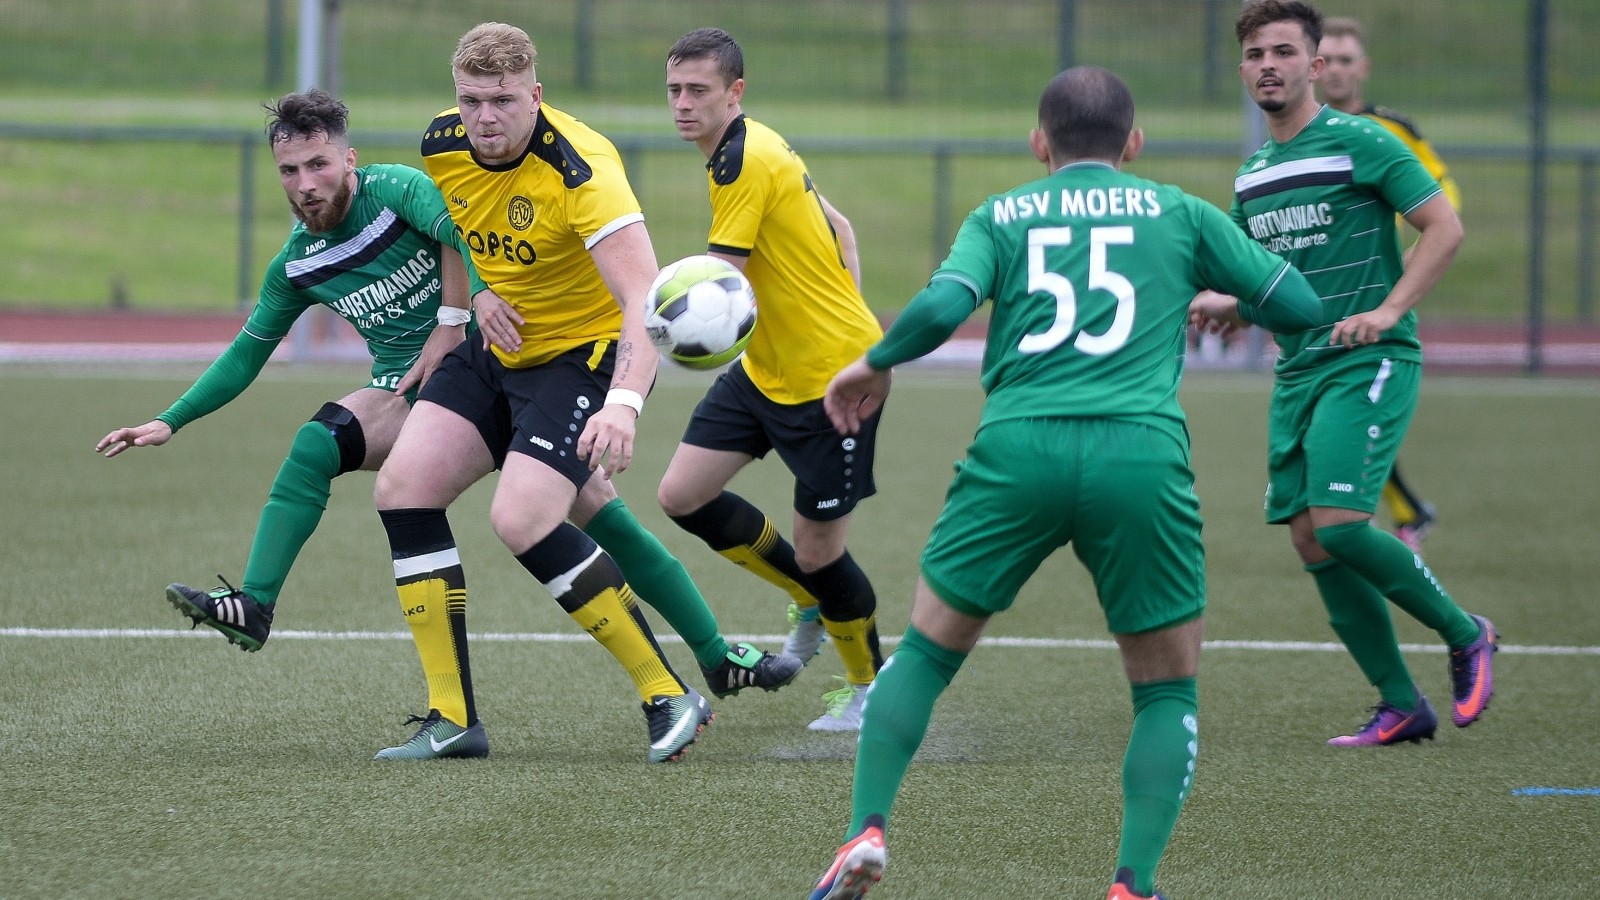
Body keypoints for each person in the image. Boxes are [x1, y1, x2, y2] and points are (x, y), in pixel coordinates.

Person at [807, 66, 1324, 900]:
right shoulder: (1179, 211)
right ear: (1135, 143)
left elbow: (942, 310)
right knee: (1165, 689)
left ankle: (865, 829)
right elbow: (1297, 301)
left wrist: (871, 363)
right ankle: (1132, 883)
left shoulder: (1002, 213)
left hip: (1018, 450)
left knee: (929, 653)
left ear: (1039, 143)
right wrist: (1234, 296)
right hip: (1139, 454)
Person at [371, 22, 799, 764]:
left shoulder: (582, 169)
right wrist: (476, 298)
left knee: (523, 518)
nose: (485, 118)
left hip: (584, 360)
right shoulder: (441, 145)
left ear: (535, 96)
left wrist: (623, 405)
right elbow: (461, 226)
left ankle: (668, 694)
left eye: (503, 100)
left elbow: (643, 296)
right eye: (471, 101)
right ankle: (452, 719)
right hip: (496, 352)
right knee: (402, 489)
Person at [1189, 0, 1497, 749]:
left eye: (1285, 52)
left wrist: (1390, 311)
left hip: (1369, 361)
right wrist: (1230, 306)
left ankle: (1466, 633)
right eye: (1257, 53)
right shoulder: (1255, 174)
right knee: (1310, 540)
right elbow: (1275, 285)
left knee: (1342, 524)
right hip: (1299, 374)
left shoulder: (1363, 141)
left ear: (1316, 65)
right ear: (1243, 69)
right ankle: (1400, 703)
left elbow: (1444, 227)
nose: (1270, 65)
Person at [95, 89, 481, 651]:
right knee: (314, 445)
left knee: (586, 512)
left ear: (349, 160)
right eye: (290, 170)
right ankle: (253, 605)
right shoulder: (297, 263)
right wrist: (170, 420)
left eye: (319, 164)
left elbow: (466, 233)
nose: (305, 184)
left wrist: (454, 319)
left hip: (490, 370)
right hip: (407, 390)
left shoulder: (396, 190)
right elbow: (246, 354)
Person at [658, 28, 887, 731]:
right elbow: (840, 226)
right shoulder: (750, 142)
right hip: (769, 371)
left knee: (822, 547)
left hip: (832, 382)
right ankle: (809, 597)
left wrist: (852, 343)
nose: (684, 105)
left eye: (699, 91)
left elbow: (716, 286)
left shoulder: (742, 163)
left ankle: (871, 685)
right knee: (682, 495)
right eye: (674, 91)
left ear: (736, 93)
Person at [1318, 15, 1461, 552]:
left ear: (1364, 68)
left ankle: (1390, 514)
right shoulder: (1301, 133)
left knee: (1354, 399)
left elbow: (1444, 199)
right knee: (1336, 402)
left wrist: (1412, 246)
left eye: (1346, 60)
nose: (1335, 71)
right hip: (1325, 287)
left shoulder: (1392, 129)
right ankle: (1404, 510)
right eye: (1326, 60)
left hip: (1377, 286)